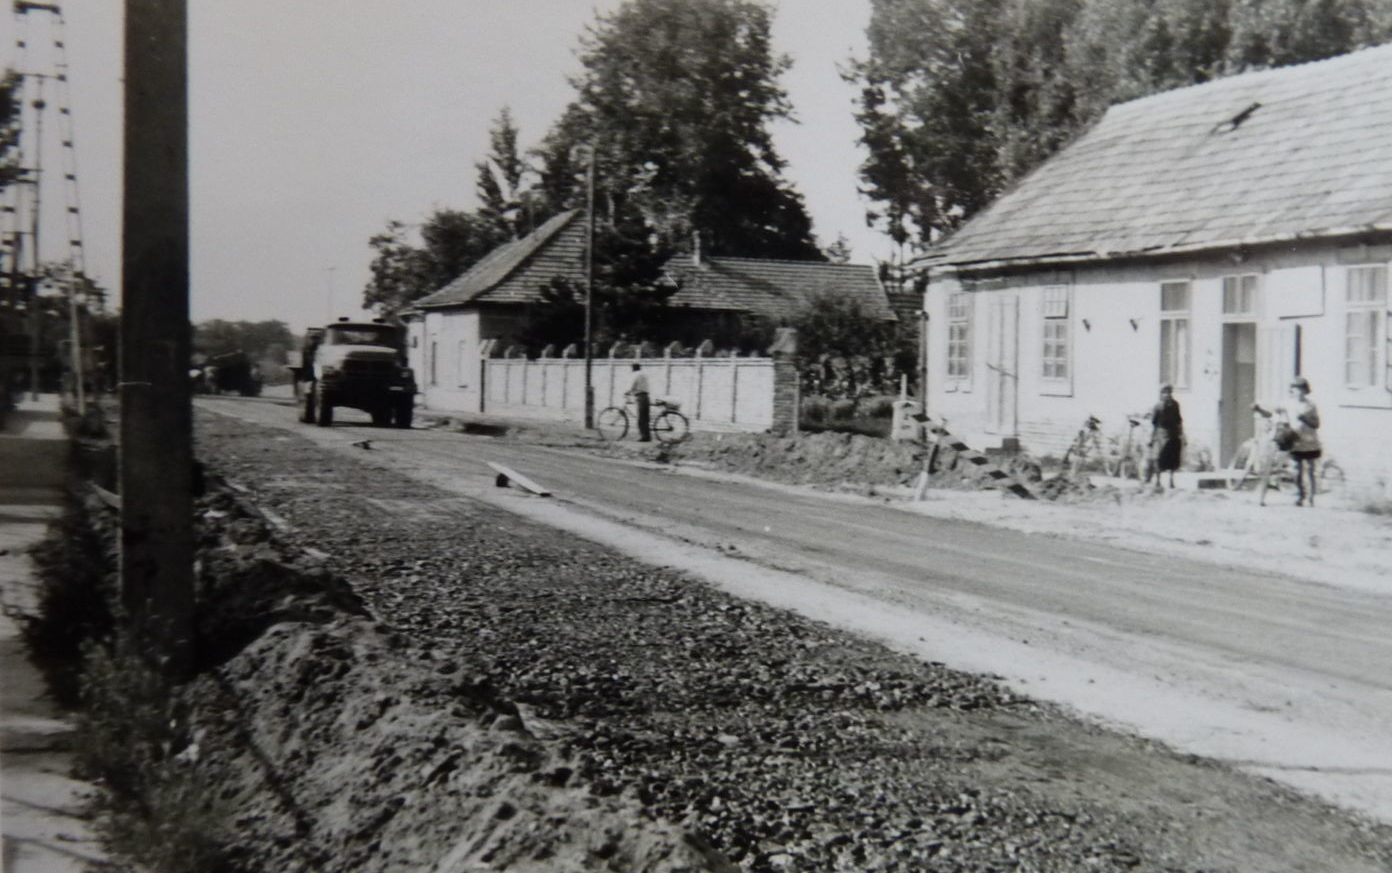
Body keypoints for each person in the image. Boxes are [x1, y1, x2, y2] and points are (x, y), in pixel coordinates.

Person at [1254, 377, 1321, 507]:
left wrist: (1306, 419)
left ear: (1306, 391)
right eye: (1295, 389)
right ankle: (1301, 496)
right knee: (1298, 470)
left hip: (1310, 441)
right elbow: (1273, 412)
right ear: (1292, 391)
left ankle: (1312, 498)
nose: (1298, 392)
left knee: (1311, 469)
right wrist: (1259, 410)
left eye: (1301, 389)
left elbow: (1317, 424)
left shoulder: (1311, 405)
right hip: (1296, 440)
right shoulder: (1287, 403)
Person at [1146, 383, 1183, 491]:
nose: (1167, 394)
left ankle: (1171, 480)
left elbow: (1179, 420)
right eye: (1165, 392)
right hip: (1160, 434)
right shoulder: (1157, 406)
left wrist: (1181, 434)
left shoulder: (1175, 405)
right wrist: (1151, 438)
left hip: (1173, 433)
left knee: (1173, 458)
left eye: (1169, 392)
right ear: (1161, 394)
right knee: (1158, 457)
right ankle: (1158, 481)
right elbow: (1154, 423)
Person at [627, 362, 651, 441]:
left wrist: (628, 392)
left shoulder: (636, 374)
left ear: (634, 368)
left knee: (641, 418)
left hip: (640, 397)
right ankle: (647, 436)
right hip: (646, 396)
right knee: (645, 417)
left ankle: (644, 437)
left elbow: (633, 385)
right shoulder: (644, 374)